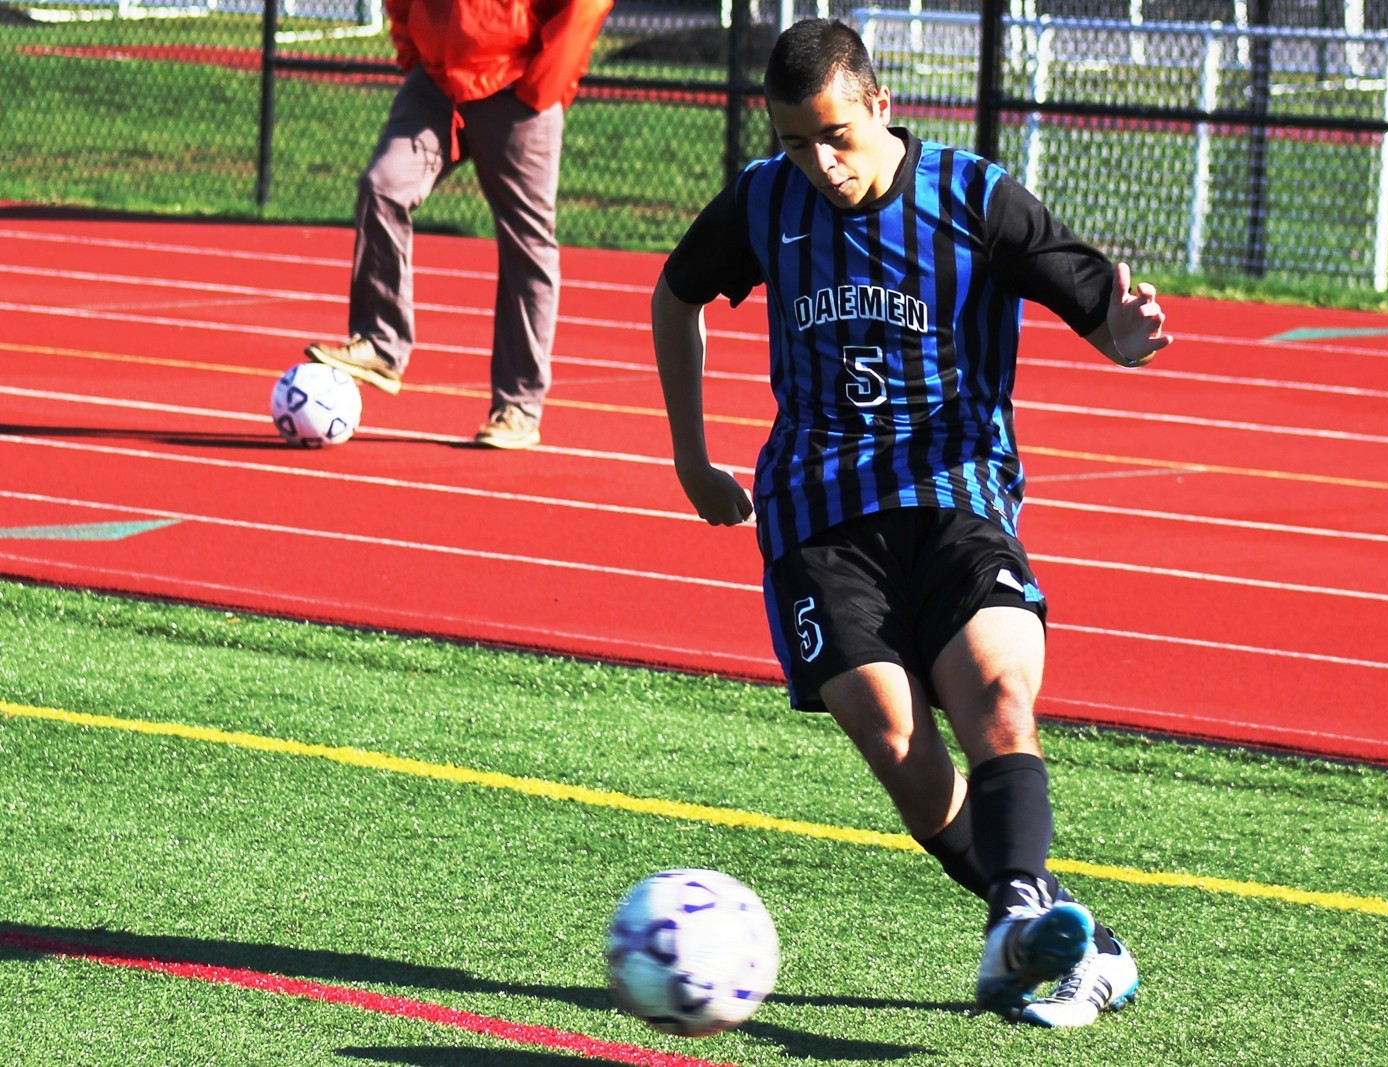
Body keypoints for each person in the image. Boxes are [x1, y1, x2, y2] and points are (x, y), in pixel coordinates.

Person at [652, 19, 1173, 1028]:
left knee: (996, 698)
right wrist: (689, 457)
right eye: (796, 140)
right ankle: (1056, 929)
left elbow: (1095, 304)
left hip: (954, 498)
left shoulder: (973, 199)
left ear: (881, 105)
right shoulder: (765, 200)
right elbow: (675, 297)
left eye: (835, 135)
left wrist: (1125, 330)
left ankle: (1020, 909)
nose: (819, 162)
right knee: (897, 741)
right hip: (816, 517)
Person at [304, 0, 612, 449]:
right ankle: (380, 344)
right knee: (382, 187)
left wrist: (544, 83)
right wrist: (416, 56)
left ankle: (519, 407)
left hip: (516, 82)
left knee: (526, 244)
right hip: (435, 82)